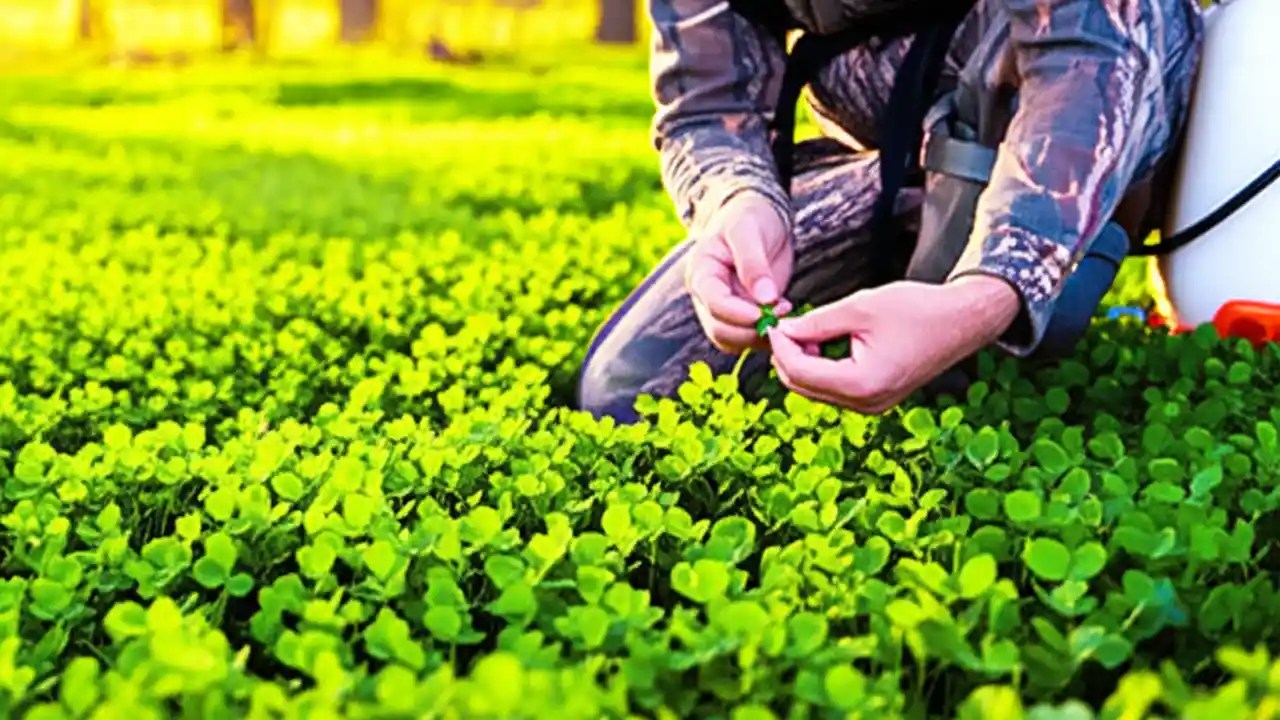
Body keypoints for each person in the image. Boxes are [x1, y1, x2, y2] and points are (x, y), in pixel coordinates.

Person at [577, 0, 1205, 423]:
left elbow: (1087, 53)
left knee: (969, 386)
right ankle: (917, 222)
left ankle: (1070, 240)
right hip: (892, 156)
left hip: (1088, 100)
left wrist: (985, 296)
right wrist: (736, 202)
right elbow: (708, 106)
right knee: (627, 390)